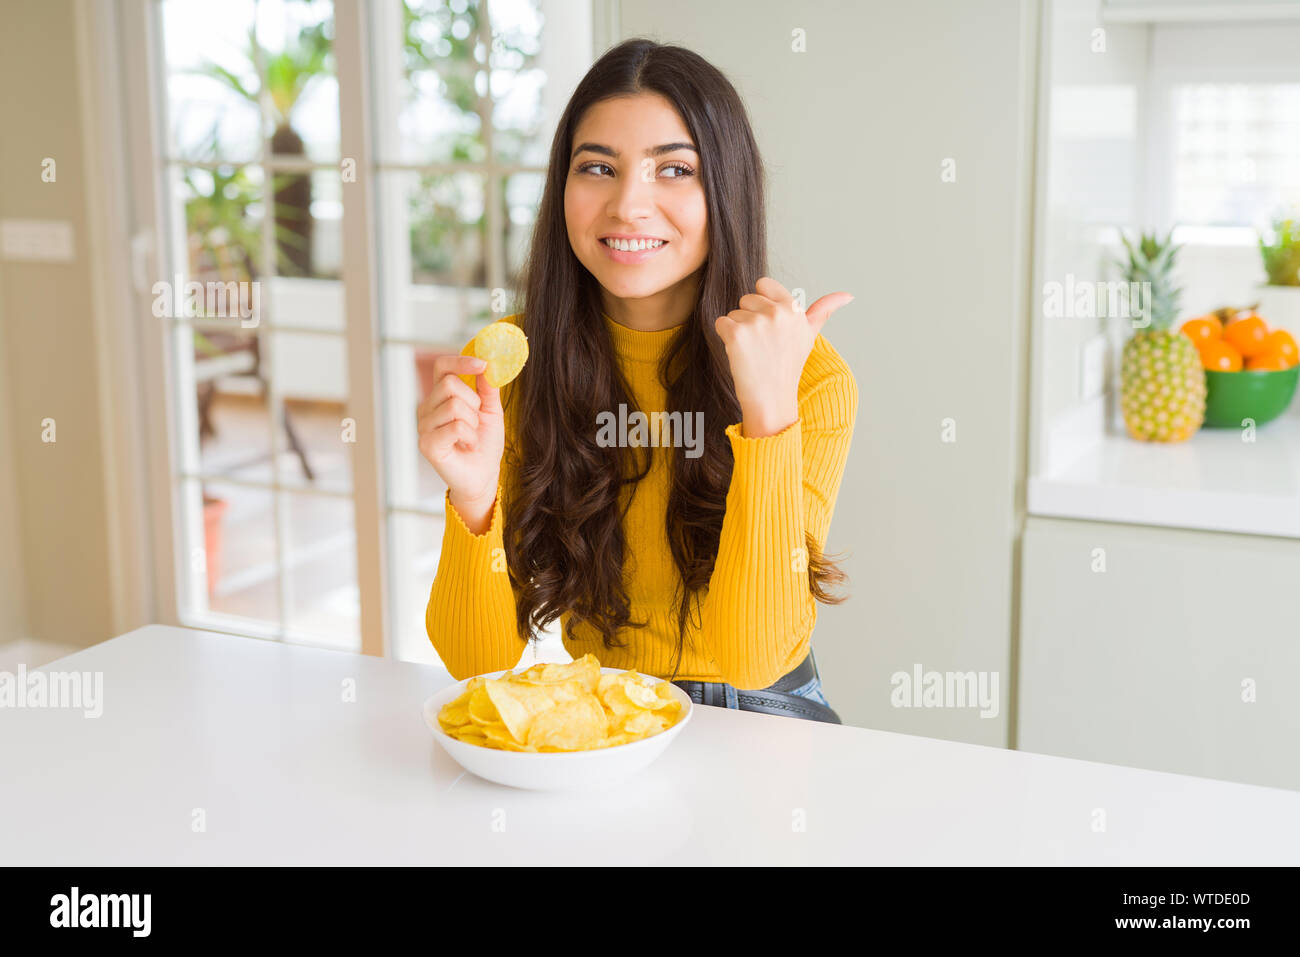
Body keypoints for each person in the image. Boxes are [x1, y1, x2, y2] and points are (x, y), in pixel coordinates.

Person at [417, 37, 857, 724]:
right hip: (603, 708)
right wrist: (473, 496)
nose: (628, 205)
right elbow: (476, 661)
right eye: (598, 167)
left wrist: (768, 412)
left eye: (674, 169)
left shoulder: (807, 375)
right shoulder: (511, 361)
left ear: (726, 188)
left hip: (766, 706)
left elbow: (753, 655)